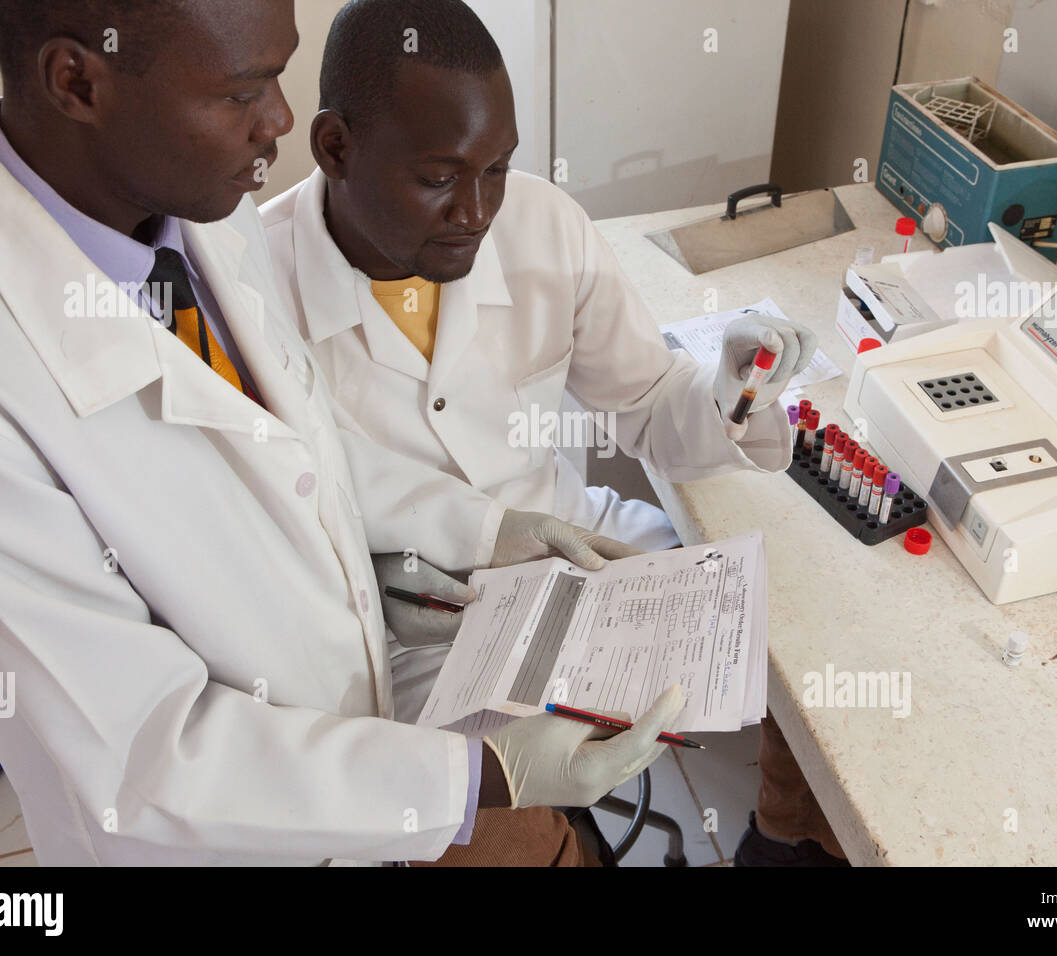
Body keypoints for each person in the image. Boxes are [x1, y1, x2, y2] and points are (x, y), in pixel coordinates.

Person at [0, 0, 682, 867]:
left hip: (363, 737)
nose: (281, 121)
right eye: (244, 90)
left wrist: (473, 533)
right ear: (76, 80)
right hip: (232, 835)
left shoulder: (196, 205)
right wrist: (477, 778)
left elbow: (294, 441)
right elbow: (145, 760)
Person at [262, 0, 848, 866]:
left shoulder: (542, 224)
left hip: (581, 562)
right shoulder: (248, 285)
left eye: (496, 169)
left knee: (815, 659)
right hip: (409, 634)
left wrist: (733, 389)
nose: (477, 210)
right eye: (439, 178)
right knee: (489, 840)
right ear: (337, 148)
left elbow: (647, 405)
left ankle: (782, 840)